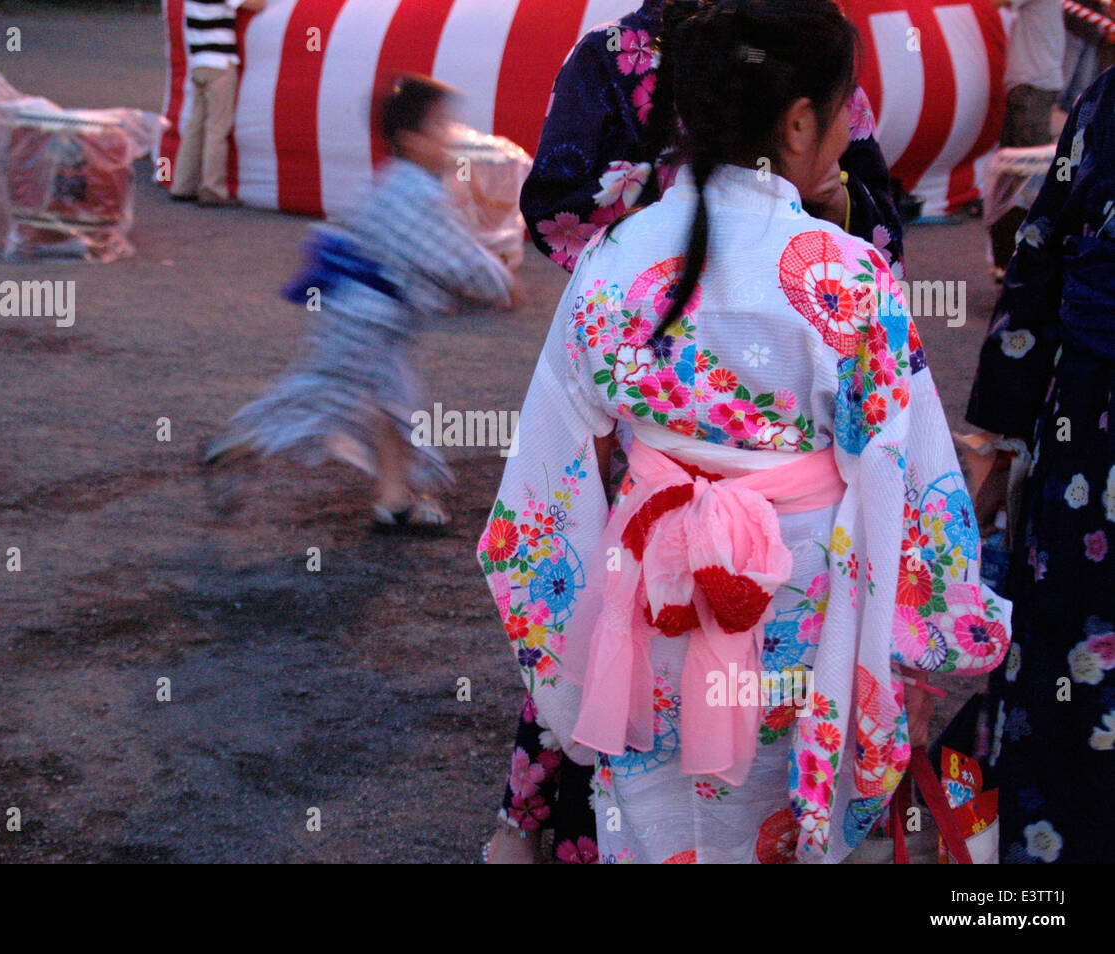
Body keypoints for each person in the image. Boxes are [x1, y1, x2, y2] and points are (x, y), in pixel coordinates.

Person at [477, 0, 1009, 864]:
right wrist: (922, 632)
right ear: (800, 123)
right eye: (844, 111)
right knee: (782, 812)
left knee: (654, 808)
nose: (848, 134)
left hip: (647, 589)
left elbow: (540, 491)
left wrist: (567, 645)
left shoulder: (614, 261)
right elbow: (903, 474)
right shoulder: (844, 273)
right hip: (797, 601)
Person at [205, 74, 513, 530]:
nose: (451, 135)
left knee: (390, 402)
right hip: (363, 317)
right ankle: (235, 444)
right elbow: (455, 258)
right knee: (324, 394)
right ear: (410, 140)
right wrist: (503, 284)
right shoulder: (415, 191)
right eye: (441, 125)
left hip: (369, 314)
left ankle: (395, 500)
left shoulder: (403, 183)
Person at [966, 66, 1115, 864]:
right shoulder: (1105, 99)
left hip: (1088, 421)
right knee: (1063, 642)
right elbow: (1042, 254)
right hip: (1088, 428)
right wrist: (998, 436)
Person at [520, 0, 905, 277]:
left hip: (802, 285)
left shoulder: (807, 40)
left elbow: (878, 206)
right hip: (655, 300)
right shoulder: (607, 53)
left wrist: (838, 201)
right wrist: (680, 196)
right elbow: (554, 204)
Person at [988, 0, 1065, 272]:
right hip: (1035, 82)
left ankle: (1018, 259)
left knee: (1024, 179)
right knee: (1019, 176)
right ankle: (1012, 259)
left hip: (1032, 84)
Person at [170, 0, 265, 206]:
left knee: (195, 126)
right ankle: (213, 189)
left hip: (198, 64)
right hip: (220, 64)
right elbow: (258, 5)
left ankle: (182, 185)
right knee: (217, 128)